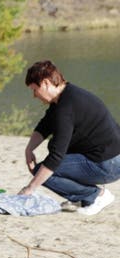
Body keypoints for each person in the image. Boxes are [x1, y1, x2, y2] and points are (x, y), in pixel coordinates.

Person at [18, 60, 120, 215]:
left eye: (34, 90)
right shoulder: (66, 96)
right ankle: (81, 198)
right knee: (53, 148)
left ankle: (96, 196)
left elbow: (55, 158)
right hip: (110, 157)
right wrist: (29, 149)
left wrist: (29, 189)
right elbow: (45, 125)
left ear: (45, 83)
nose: (34, 95)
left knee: (42, 171)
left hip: (109, 164)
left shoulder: (65, 109)